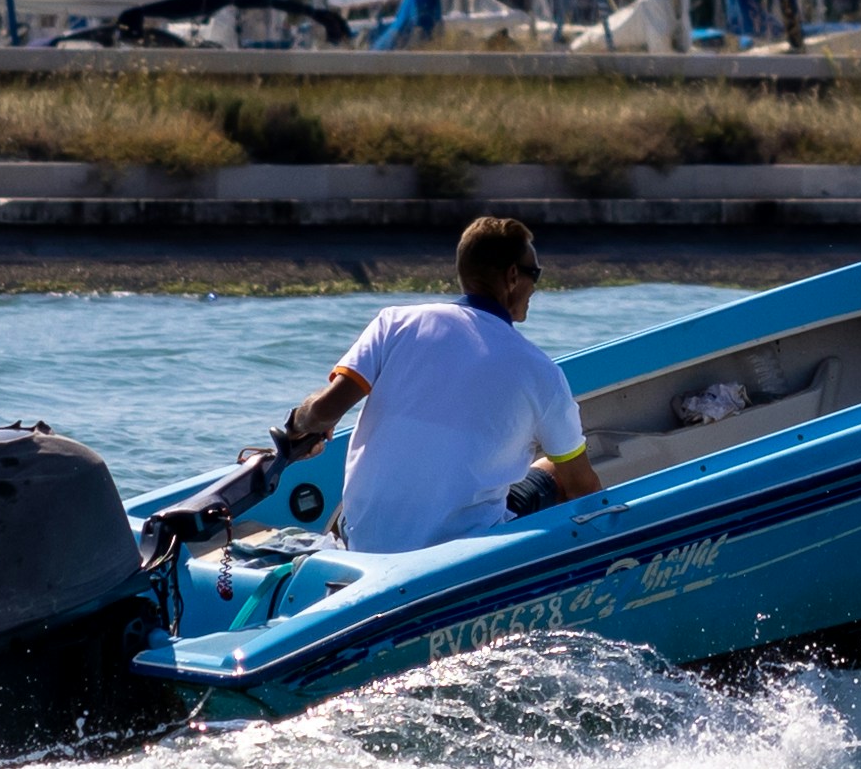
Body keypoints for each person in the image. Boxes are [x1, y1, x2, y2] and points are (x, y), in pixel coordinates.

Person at [189, 211, 602, 553]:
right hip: (463, 552)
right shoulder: (540, 370)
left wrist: (297, 424)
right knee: (554, 468)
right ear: (512, 276)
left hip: (364, 541)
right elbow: (583, 488)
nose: (535, 287)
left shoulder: (396, 322)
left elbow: (324, 412)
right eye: (535, 274)